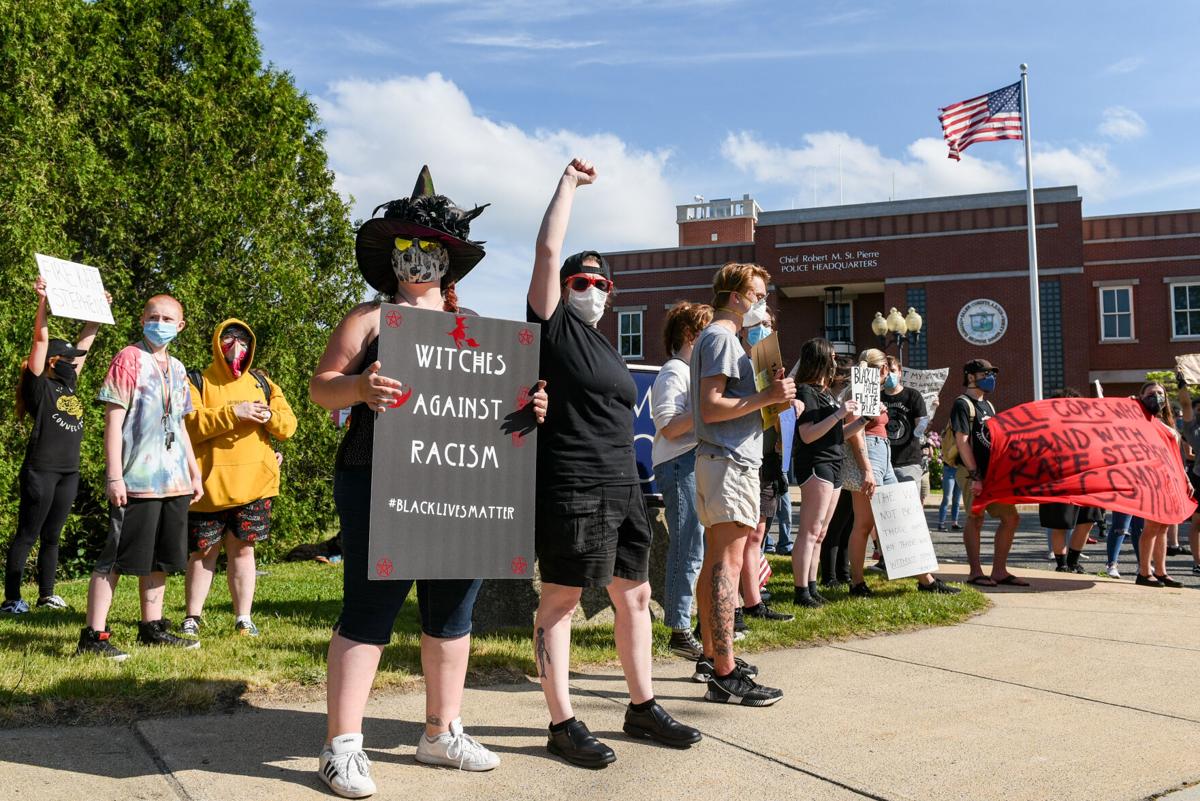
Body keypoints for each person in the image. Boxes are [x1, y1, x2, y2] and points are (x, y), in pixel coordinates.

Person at [310, 167, 547, 796]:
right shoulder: (368, 319)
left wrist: (531, 404)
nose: (421, 260)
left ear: (450, 261)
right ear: (392, 257)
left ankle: (441, 732)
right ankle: (343, 746)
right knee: (370, 605)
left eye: (433, 250)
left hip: (461, 487)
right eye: (408, 249)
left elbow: (499, 401)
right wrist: (359, 387)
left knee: (453, 609)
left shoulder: (476, 329)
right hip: (374, 476)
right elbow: (319, 386)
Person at [527, 159, 701, 766]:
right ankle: (562, 721)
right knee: (562, 601)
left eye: (603, 286)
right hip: (572, 482)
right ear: (565, 288)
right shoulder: (553, 329)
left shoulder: (603, 345)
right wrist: (568, 185)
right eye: (583, 283)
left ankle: (641, 707)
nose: (593, 292)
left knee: (635, 593)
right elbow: (549, 251)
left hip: (625, 483)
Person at [76, 294, 205, 660]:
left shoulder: (178, 368)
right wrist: (114, 476)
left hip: (173, 480)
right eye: (154, 316)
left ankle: (153, 626)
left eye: (168, 318)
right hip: (136, 480)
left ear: (180, 326)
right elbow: (113, 423)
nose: (160, 323)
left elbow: (179, 425)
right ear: (142, 318)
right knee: (115, 558)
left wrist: (193, 473)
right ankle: (94, 634)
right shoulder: (128, 358)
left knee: (160, 559)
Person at [689, 260, 794, 704]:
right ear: (735, 296)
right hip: (728, 461)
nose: (762, 303)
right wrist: (767, 397)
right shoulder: (719, 337)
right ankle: (725, 672)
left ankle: (714, 657)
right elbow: (712, 405)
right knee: (726, 564)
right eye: (757, 295)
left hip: (726, 460)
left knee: (718, 558)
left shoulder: (726, 339)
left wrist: (766, 396)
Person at [181, 320, 298, 639]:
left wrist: (270, 417)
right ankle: (192, 617)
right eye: (229, 340)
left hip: (254, 486)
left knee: (244, 551)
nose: (237, 347)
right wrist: (236, 413)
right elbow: (189, 425)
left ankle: (243, 619)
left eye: (244, 341)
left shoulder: (262, 381)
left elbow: (289, 426)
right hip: (207, 488)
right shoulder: (197, 380)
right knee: (203, 552)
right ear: (217, 343)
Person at [3, 278, 109, 615]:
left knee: (53, 535)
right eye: (67, 358)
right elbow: (41, 339)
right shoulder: (39, 387)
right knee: (28, 533)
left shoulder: (67, 383)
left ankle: (47, 594)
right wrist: (43, 302)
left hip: (68, 471)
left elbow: (85, 347)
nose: (73, 362)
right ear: (52, 361)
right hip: (41, 470)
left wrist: (97, 313)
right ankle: (12, 599)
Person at [846, 349, 958, 596]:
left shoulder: (871, 389)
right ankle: (856, 583)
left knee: (897, 517)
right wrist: (867, 470)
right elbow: (854, 433)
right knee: (864, 524)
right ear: (883, 369)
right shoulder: (862, 388)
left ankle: (925, 578)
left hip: (883, 453)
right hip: (871, 455)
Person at [652, 301, 713, 660]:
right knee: (688, 545)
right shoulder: (674, 371)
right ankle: (678, 628)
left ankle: (690, 623)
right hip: (679, 464)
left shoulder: (689, 373)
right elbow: (669, 426)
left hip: (691, 462)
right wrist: (706, 408)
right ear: (690, 334)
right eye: (705, 333)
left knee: (696, 546)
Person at [791, 339, 858, 607]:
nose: (835, 361)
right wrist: (839, 412)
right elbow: (807, 435)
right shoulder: (805, 391)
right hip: (816, 464)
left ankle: (812, 585)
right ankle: (800, 591)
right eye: (831, 356)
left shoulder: (827, 393)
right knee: (809, 530)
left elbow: (835, 435)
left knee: (820, 532)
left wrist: (862, 420)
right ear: (819, 358)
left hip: (834, 461)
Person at [738, 308, 793, 624]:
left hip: (770, 460)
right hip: (746, 459)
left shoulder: (774, 370)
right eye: (758, 325)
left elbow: (781, 417)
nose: (763, 330)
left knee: (757, 535)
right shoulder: (739, 365)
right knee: (743, 537)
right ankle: (740, 604)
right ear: (743, 330)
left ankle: (753, 599)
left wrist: (789, 403)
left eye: (769, 325)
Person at [951, 358, 1024, 587]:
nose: (991, 378)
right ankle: (975, 572)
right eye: (985, 374)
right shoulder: (962, 404)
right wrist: (975, 475)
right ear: (971, 377)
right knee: (976, 518)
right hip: (972, 473)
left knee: (1010, 518)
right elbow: (962, 442)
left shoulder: (989, 406)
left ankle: (1000, 571)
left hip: (991, 473)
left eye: (992, 373)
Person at [1132, 382, 1186, 588]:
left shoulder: (1166, 422)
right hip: (1150, 479)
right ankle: (1144, 572)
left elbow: (1174, 456)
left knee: (1164, 525)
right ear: (1141, 396)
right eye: (1151, 394)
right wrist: (1132, 405)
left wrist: (1185, 478)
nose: (1156, 397)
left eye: (1160, 393)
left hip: (1170, 479)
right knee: (1152, 525)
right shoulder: (1140, 419)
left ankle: (1161, 571)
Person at [882, 356, 929, 499]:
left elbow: (921, 422)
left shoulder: (912, 395)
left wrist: (921, 427)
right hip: (883, 463)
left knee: (910, 509)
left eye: (893, 370)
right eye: (886, 371)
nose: (890, 374)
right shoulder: (876, 397)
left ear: (900, 372)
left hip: (908, 462)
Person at [1174, 376, 1200, 577]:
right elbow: (1185, 403)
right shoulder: (1193, 430)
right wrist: (1182, 384)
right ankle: (1198, 562)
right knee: (1197, 524)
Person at [937, 448, 962, 532]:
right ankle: (941, 523)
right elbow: (944, 451)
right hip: (949, 469)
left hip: (960, 469)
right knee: (947, 498)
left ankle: (954, 522)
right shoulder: (948, 436)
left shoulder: (965, 436)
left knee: (957, 500)